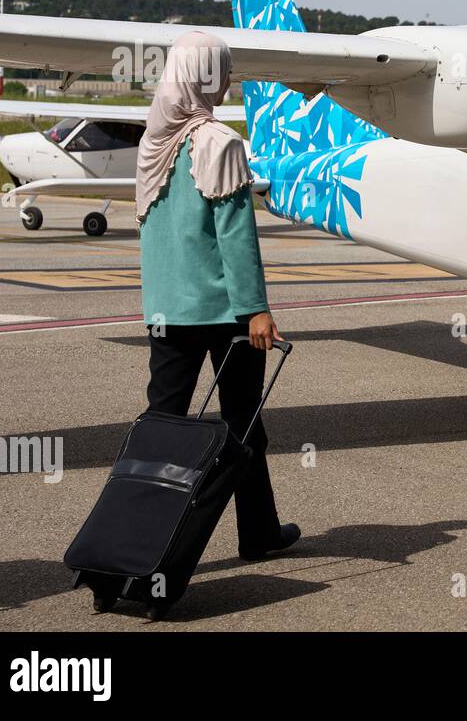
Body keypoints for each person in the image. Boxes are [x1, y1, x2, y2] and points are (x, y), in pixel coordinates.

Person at [136, 30, 301, 557]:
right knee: (243, 427)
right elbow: (236, 237)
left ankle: (140, 539)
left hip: (166, 313)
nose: (228, 81)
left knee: (160, 429)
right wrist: (255, 308)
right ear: (207, 77)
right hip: (225, 313)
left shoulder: (153, 143)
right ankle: (257, 534)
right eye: (223, 72)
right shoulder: (219, 142)